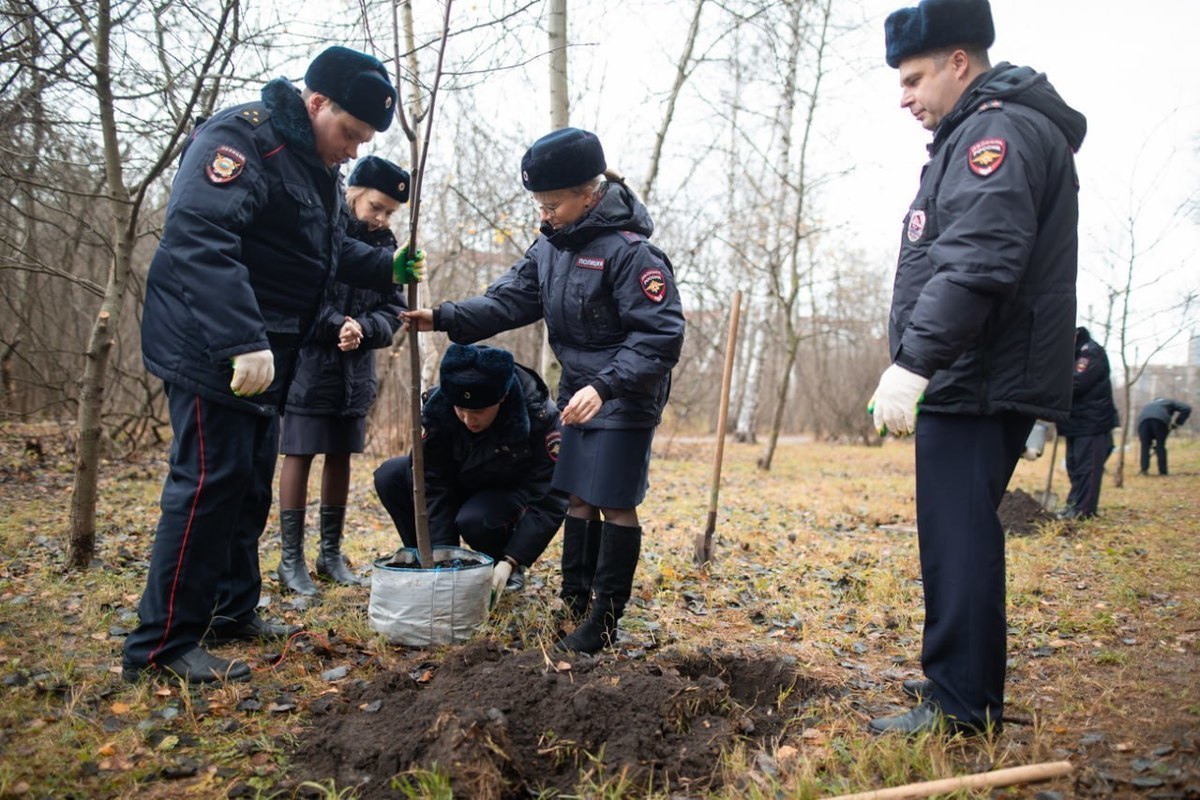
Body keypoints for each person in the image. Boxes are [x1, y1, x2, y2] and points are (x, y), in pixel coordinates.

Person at [123, 47, 425, 685]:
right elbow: (199, 237)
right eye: (349, 134)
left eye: (362, 141)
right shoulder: (241, 139)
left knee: (250, 483)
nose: (351, 150)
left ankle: (233, 610)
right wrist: (240, 337)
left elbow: (319, 248)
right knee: (208, 484)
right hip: (215, 348)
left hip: (271, 356)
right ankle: (160, 646)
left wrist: (383, 267)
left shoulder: (313, 164)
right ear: (317, 104)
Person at [867, 0, 1086, 734]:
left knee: (957, 534)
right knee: (957, 528)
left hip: (976, 369)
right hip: (976, 367)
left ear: (960, 63)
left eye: (913, 78)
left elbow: (980, 260)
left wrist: (915, 362)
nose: (904, 98)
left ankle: (960, 704)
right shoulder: (981, 130)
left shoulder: (996, 132)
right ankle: (960, 684)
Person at [403, 128, 686, 654]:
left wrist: (605, 387)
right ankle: (575, 601)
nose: (544, 214)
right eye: (539, 204)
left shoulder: (633, 255)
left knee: (614, 502)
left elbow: (661, 336)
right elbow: (507, 300)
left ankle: (604, 619)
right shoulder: (550, 248)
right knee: (577, 494)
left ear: (589, 192)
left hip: (624, 393)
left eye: (553, 204)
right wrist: (442, 317)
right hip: (578, 390)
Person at [276, 156, 410, 596]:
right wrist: (337, 324)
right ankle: (290, 559)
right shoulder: (321, 233)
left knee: (340, 454)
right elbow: (298, 296)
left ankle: (330, 553)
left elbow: (394, 311)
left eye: (390, 211)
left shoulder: (389, 250)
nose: (381, 218)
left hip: (356, 374)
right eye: (376, 206)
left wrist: (363, 329)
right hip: (309, 368)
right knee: (299, 453)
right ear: (352, 193)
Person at [373, 344, 569, 594]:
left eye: (477, 411)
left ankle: (499, 565)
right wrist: (443, 556)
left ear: (502, 397)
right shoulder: (438, 409)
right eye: (460, 410)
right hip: (460, 483)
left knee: (477, 520)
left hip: (506, 494)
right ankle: (426, 558)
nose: (467, 419)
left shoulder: (539, 416)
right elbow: (432, 483)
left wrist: (512, 559)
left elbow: (549, 498)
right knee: (391, 476)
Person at [1056, 327, 1118, 519]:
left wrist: (1049, 390)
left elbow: (1077, 382)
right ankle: (1073, 505)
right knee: (1074, 466)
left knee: (1087, 467)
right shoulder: (1070, 354)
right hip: (1075, 422)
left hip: (1092, 422)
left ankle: (1084, 510)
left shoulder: (1089, 352)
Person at [1137, 397, 1192, 476]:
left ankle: (1144, 470)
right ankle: (1163, 472)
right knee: (1160, 445)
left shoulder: (1149, 404)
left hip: (1143, 420)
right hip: (1160, 420)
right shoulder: (1171, 401)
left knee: (1145, 446)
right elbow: (1187, 408)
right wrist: (1177, 423)